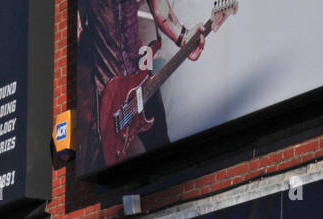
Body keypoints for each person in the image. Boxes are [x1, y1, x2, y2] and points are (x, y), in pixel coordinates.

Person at [77, 0, 236, 170]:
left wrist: (183, 37)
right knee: (102, 173)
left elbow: (159, 7)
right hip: (106, 102)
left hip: (141, 84)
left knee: (164, 160)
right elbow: (77, 32)